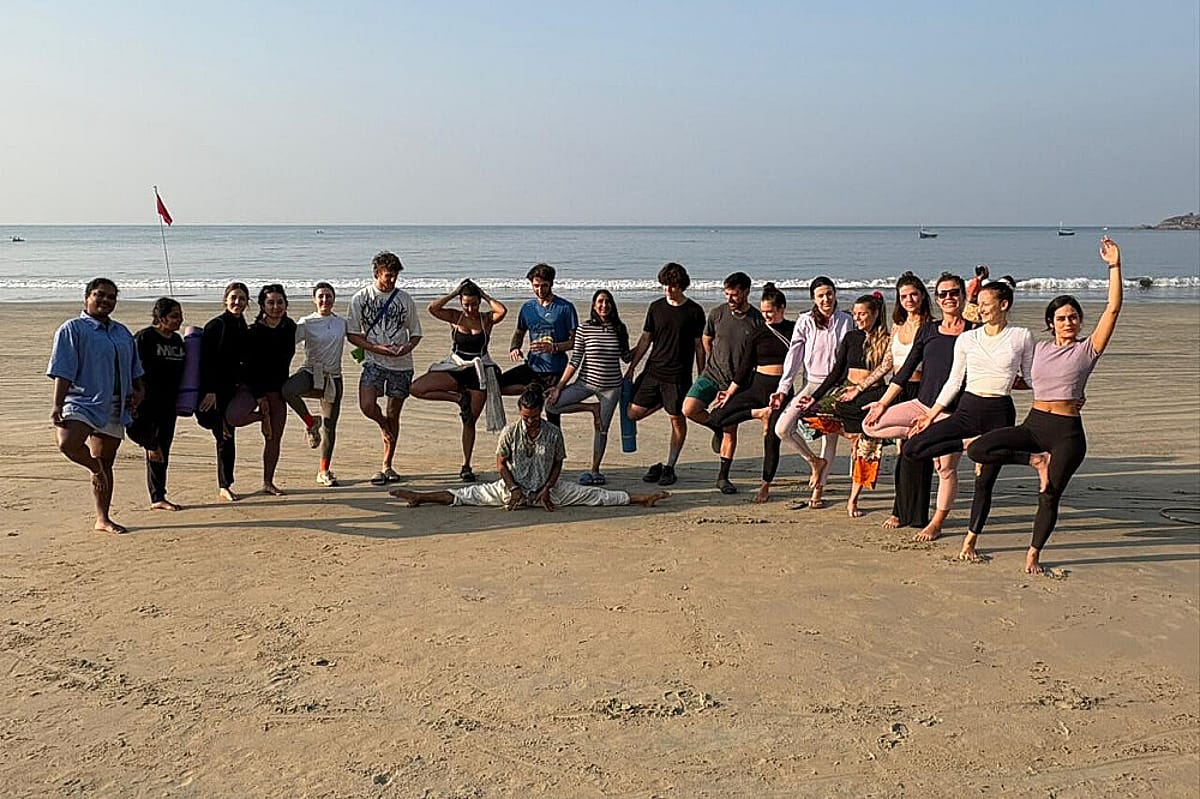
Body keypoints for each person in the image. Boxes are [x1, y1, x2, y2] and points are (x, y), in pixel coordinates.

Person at [966, 237, 1123, 574]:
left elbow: (1112, 309)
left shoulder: (1088, 349)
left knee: (1049, 494)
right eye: (1061, 318)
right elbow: (1015, 373)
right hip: (1034, 427)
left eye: (1073, 317)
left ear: (1080, 322)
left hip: (1067, 434)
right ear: (1050, 323)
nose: (1068, 322)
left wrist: (1114, 267)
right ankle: (1035, 460)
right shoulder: (1037, 349)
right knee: (978, 450)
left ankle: (1033, 553)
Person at [903, 279, 1035, 562]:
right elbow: (954, 381)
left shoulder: (1021, 336)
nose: (981, 308)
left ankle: (970, 540)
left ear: (1004, 305)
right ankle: (975, 445)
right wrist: (931, 415)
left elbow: (1029, 379)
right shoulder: (967, 339)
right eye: (979, 304)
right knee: (912, 448)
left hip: (1000, 412)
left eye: (986, 303)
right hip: (967, 409)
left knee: (983, 484)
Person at [390, 384, 669, 509]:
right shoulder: (510, 432)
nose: (532, 422)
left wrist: (547, 489)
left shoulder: (552, 432)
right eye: (527, 418)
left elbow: (558, 463)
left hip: (549, 490)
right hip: (513, 490)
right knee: (466, 495)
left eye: (535, 417)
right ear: (520, 412)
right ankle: (420, 496)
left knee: (595, 496)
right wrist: (514, 489)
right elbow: (501, 463)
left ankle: (640, 498)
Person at [864, 273, 975, 541]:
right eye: (943, 294)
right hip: (921, 405)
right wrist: (882, 403)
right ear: (936, 299)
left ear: (962, 296)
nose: (949, 298)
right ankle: (925, 437)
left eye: (954, 293)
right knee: (871, 424)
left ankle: (936, 522)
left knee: (945, 469)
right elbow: (905, 371)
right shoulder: (928, 330)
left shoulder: (974, 331)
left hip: (952, 411)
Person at [47, 278, 144, 533]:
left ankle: (103, 518)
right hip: (80, 400)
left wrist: (139, 392)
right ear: (87, 296)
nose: (105, 301)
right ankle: (93, 467)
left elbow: (135, 369)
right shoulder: (72, 329)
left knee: (106, 461)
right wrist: (57, 404)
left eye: (111, 297)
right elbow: (63, 369)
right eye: (100, 295)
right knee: (68, 443)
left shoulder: (122, 332)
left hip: (115, 404)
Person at [794, 293, 891, 517]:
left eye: (862, 314)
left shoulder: (886, 338)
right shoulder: (851, 337)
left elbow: (885, 372)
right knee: (808, 417)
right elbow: (836, 372)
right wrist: (815, 396)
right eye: (855, 314)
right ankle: (849, 434)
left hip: (872, 394)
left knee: (866, 452)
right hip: (847, 389)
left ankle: (853, 499)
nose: (857, 318)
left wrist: (864, 390)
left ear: (875, 313)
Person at [410, 279, 508, 482]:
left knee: (469, 421)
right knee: (416, 388)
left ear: (479, 302)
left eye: (473, 304)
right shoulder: (455, 316)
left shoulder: (485, 319)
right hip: (456, 366)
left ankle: (466, 465)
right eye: (466, 304)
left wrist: (484, 294)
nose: (470, 308)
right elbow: (432, 308)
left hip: (479, 370)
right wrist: (455, 293)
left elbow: (502, 310)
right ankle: (457, 398)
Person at [859, 273, 935, 531]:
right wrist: (860, 387)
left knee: (918, 453)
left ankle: (916, 515)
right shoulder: (897, 327)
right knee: (903, 452)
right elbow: (887, 364)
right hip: (897, 390)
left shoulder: (933, 326)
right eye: (903, 296)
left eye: (913, 294)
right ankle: (899, 510)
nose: (909, 300)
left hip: (922, 391)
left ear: (922, 295)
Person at [771, 277, 854, 507]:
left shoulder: (847, 320)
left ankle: (818, 490)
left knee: (830, 439)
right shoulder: (805, 321)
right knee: (782, 428)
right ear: (813, 299)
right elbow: (794, 357)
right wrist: (783, 388)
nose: (826, 299)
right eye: (820, 295)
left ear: (835, 294)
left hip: (837, 387)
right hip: (812, 385)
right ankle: (813, 461)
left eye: (829, 293)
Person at [707, 283, 794, 503]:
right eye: (763, 311)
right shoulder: (756, 332)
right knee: (718, 416)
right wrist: (729, 392)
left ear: (782, 308)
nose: (766, 315)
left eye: (771, 311)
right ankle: (759, 413)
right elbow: (745, 367)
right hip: (757, 386)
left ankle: (765, 486)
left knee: (771, 439)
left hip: (781, 389)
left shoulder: (794, 330)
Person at [625, 262, 707, 488]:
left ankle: (670, 465)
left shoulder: (694, 311)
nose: (668, 290)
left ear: (681, 285)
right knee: (633, 413)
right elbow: (645, 339)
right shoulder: (655, 307)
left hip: (678, 375)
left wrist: (701, 377)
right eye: (664, 285)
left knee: (677, 420)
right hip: (653, 371)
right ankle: (665, 402)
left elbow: (699, 347)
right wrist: (633, 366)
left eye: (672, 286)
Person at [682, 271, 764, 494]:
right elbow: (707, 339)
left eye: (735, 295)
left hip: (737, 383)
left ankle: (723, 477)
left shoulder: (757, 320)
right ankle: (713, 425)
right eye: (727, 294)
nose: (730, 299)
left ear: (746, 292)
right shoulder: (717, 313)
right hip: (711, 375)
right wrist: (714, 361)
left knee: (730, 430)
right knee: (688, 409)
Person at [347, 251, 423, 486]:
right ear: (377, 273)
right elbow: (352, 334)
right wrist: (376, 348)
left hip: (401, 365)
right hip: (373, 361)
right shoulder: (360, 298)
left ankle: (387, 465)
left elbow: (416, 333)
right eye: (388, 276)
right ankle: (381, 424)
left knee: (394, 414)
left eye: (395, 276)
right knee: (368, 405)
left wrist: (406, 348)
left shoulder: (405, 299)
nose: (392, 280)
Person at [547, 289, 631, 485]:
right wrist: (559, 386)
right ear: (594, 305)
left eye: (608, 302)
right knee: (551, 405)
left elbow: (626, 357)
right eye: (600, 301)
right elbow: (575, 360)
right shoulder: (584, 328)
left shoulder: (619, 329)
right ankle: (591, 408)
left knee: (602, 429)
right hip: (584, 383)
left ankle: (595, 470)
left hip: (611, 388)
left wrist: (647, 345)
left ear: (612, 305)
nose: (604, 305)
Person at [227, 284, 296, 496]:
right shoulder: (253, 332)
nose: (275, 307)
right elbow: (247, 368)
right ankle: (261, 417)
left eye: (279, 302)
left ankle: (268, 481)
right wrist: (259, 398)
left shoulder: (290, 327)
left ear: (285, 304)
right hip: (253, 387)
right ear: (262, 306)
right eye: (270, 303)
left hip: (278, 391)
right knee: (233, 417)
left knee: (273, 439)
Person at [282, 282, 347, 487]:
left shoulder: (341, 323)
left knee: (330, 427)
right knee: (287, 390)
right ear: (314, 299)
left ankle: (324, 470)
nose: (325, 300)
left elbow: (357, 342)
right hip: (311, 372)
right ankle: (311, 422)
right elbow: (285, 344)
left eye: (328, 296)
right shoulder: (306, 322)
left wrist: (364, 357)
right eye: (321, 296)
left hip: (333, 378)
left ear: (334, 298)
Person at [501, 263, 578, 427]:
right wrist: (514, 347)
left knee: (553, 418)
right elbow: (519, 332)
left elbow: (574, 342)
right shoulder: (527, 308)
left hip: (555, 371)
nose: (540, 290)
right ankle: (534, 390)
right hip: (532, 367)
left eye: (544, 285)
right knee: (498, 384)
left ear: (551, 284)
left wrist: (554, 347)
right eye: (536, 286)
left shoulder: (565, 308)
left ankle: (556, 450)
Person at [128, 297, 186, 511]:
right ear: (161, 318)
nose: (179, 320)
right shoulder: (145, 338)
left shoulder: (177, 340)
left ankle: (158, 496)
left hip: (169, 403)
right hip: (146, 401)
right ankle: (149, 445)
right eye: (174, 316)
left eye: (180, 316)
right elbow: (131, 366)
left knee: (164, 449)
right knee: (143, 436)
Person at [198, 282, 251, 501]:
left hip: (232, 390)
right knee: (223, 433)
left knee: (227, 436)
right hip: (212, 390)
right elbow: (206, 361)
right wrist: (210, 391)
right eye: (233, 297)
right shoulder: (216, 326)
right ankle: (224, 485)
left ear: (247, 302)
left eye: (241, 298)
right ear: (225, 300)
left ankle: (225, 483)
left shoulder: (242, 326)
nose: (237, 302)